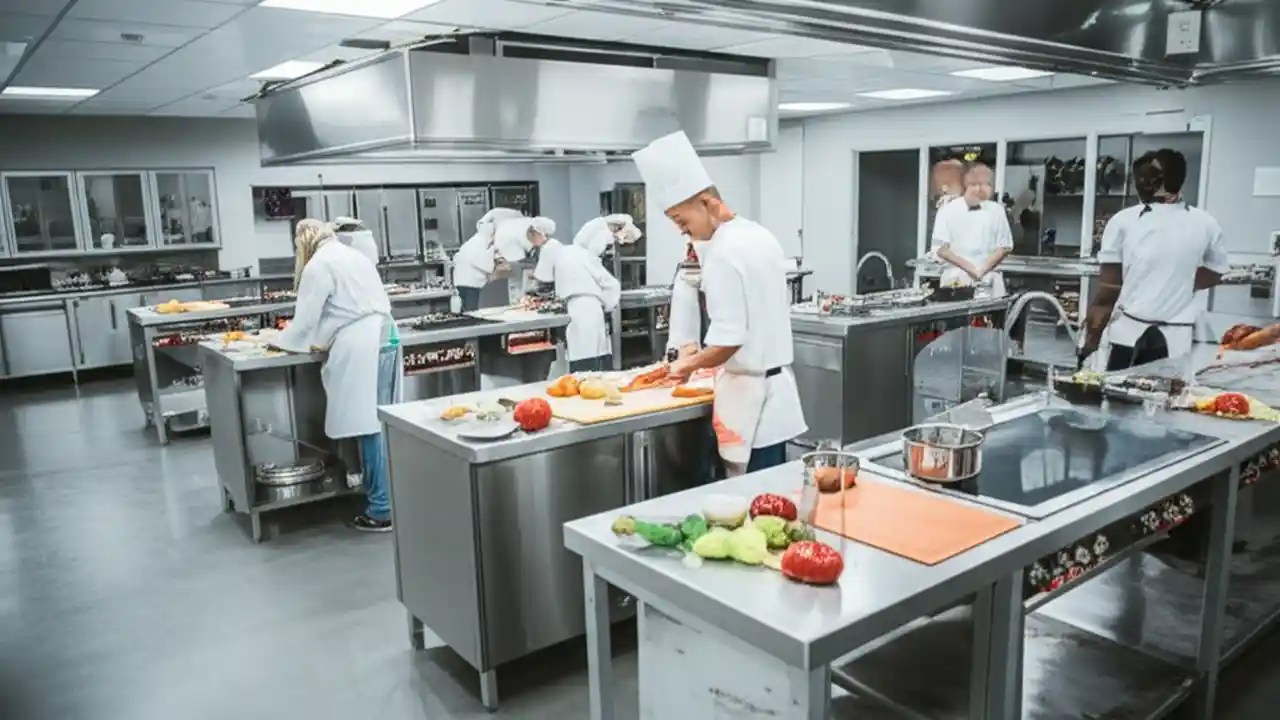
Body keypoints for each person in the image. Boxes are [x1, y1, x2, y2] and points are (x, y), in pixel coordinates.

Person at [633, 130, 806, 476]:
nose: (683, 231)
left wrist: (684, 366)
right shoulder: (759, 234)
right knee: (772, 500)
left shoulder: (723, 254)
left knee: (748, 505)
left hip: (751, 400)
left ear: (707, 203)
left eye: (683, 221)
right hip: (777, 393)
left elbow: (728, 339)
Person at [273, 219, 397, 533]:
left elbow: (304, 324)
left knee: (368, 426)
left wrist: (277, 341)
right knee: (382, 422)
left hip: (361, 345)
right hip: (386, 337)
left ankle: (382, 509)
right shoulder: (352, 256)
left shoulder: (319, 265)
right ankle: (384, 497)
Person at [1082, 149, 1228, 370]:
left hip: (1136, 335)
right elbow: (1215, 272)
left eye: (1144, 178)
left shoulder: (1124, 221)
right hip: (1173, 337)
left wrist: (1089, 342)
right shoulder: (1206, 223)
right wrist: (1179, 283)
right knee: (1167, 399)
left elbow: (1108, 291)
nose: (1139, 184)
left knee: (1120, 398)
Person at [496, 216, 621, 372]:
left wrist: (530, 295)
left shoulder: (551, 248)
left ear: (538, 234)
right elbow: (610, 284)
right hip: (592, 309)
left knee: (584, 361)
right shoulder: (576, 253)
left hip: (581, 309)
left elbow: (543, 281)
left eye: (531, 234)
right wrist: (606, 307)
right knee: (596, 358)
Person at [931, 163, 1014, 297]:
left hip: (988, 282)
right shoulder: (947, 210)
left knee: (990, 316)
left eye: (988, 184)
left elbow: (1005, 247)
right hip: (956, 283)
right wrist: (973, 270)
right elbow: (941, 249)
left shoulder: (997, 210)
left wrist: (979, 270)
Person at [453, 207, 524, 312]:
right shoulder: (481, 243)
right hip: (471, 286)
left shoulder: (481, 239)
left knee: (470, 314)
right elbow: (499, 268)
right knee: (473, 315)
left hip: (466, 284)